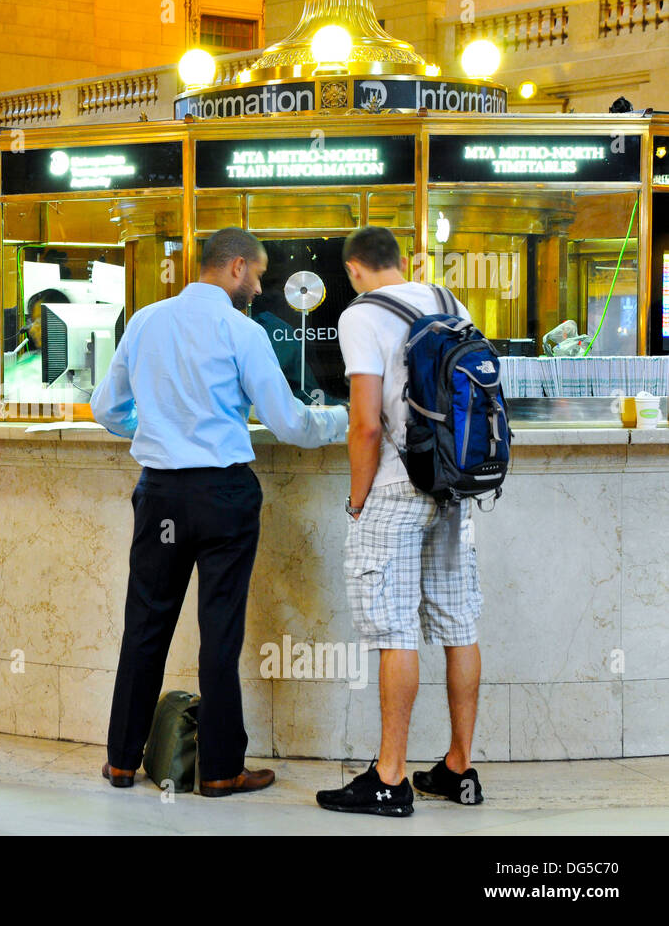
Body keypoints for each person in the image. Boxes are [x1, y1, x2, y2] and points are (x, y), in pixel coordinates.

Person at [90, 227, 349, 796]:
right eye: (256, 274)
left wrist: (155, 429)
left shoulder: (145, 321)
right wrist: (348, 419)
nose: (258, 287)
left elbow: (106, 408)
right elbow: (291, 423)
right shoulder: (242, 330)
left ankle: (120, 762)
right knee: (220, 634)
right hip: (223, 498)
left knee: (144, 627)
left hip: (160, 496)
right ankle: (220, 769)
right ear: (234, 268)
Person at [315, 226, 484, 817]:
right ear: (404, 261)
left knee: (394, 631)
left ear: (354, 269)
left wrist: (358, 500)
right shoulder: (446, 299)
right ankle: (459, 770)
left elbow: (364, 423)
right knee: (458, 621)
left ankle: (389, 779)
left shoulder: (361, 315)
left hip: (394, 486)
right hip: (454, 485)